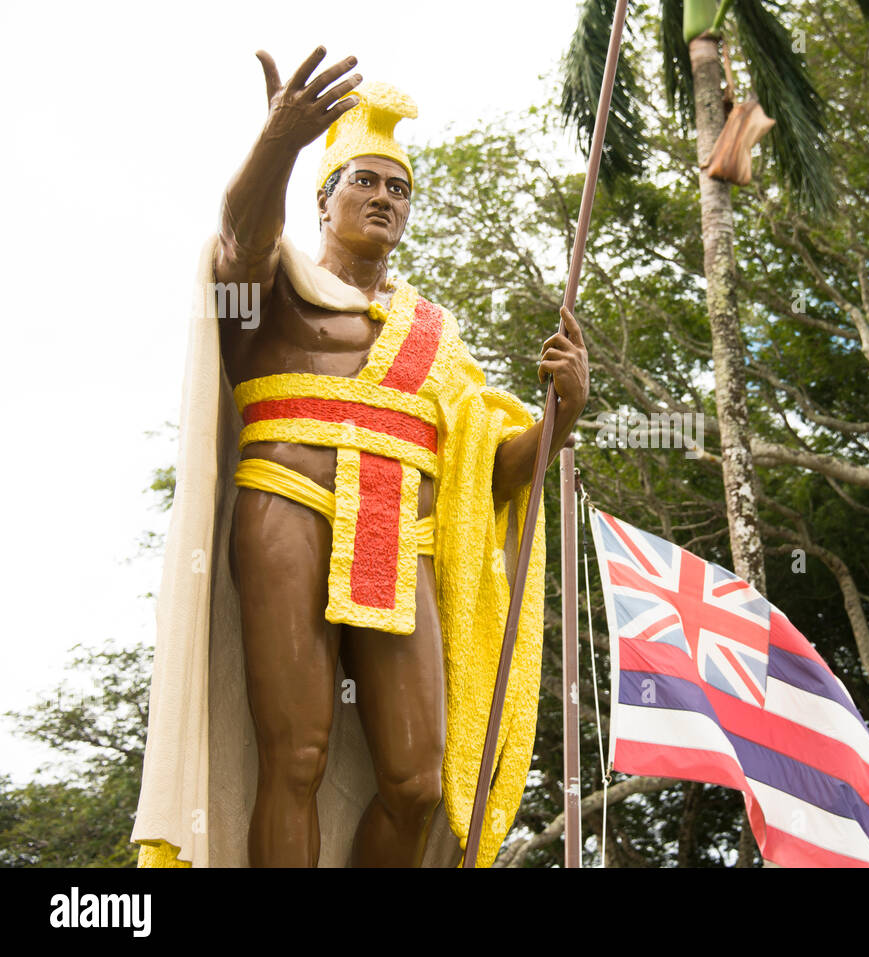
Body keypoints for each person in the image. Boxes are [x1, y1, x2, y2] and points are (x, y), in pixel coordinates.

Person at [132, 46, 588, 867]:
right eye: (365, 181)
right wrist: (279, 141)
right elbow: (239, 232)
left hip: (393, 530)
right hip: (286, 507)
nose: (385, 197)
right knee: (295, 755)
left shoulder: (431, 334)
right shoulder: (275, 285)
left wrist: (562, 414)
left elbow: (490, 476)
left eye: (399, 188)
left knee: (419, 780)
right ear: (324, 198)